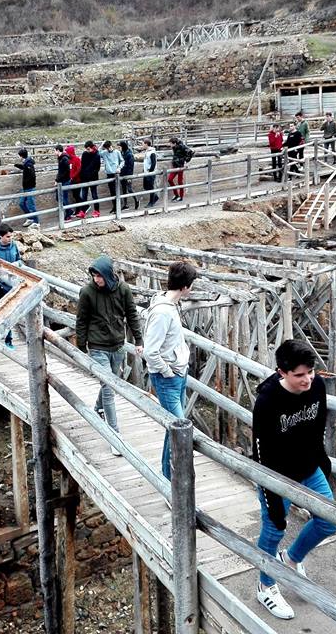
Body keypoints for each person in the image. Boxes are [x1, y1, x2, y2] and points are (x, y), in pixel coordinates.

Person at [252, 339, 336, 621]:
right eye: (299, 375)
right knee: (274, 527)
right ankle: (266, 585)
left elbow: (318, 427)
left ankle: (290, 559)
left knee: (328, 520)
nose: (308, 379)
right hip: (276, 473)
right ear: (282, 372)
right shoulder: (268, 400)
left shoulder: (318, 386)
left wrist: (324, 463)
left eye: (310, 371)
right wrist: (273, 496)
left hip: (309, 467)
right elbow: (261, 451)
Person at [75, 255, 144, 453]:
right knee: (109, 387)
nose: (96, 279)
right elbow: (81, 320)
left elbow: (131, 315)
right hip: (97, 346)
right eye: (94, 275)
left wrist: (138, 340)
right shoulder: (87, 292)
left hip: (118, 345)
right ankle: (114, 437)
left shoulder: (123, 290)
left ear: (108, 274)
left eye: (99, 275)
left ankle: (97, 409)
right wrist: (81, 347)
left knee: (110, 381)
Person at [143, 261, 197, 479]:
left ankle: (168, 477)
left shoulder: (168, 305)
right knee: (180, 430)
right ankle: (170, 482)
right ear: (185, 286)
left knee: (174, 429)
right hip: (169, 378)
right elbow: (150, 351)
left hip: (178, 374)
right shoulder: (163, 312)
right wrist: (167, 371)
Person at [0, 222, 21, 347]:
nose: (10, 239)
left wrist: (17, 265)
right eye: (7, 237)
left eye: (11, 236)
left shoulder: (14, 245)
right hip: (2, 286)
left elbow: (19, 259)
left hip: (14, 284)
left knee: (13, 312)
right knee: (4, 313)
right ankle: (8, 338)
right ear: (0, 236)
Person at [14, 148, 39, 226]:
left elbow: (32, 175)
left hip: (29, 187)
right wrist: (17, 165)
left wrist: (27, 183)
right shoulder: (26, 162)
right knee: (22, 203)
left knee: (31, 205)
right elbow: (25, 168)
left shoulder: (28, 164)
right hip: (25, 188)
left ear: (21, 156)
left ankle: (36, 222)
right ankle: (30, 218)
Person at [77, 141, 101, 218]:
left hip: (93, 178)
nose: (87, 150)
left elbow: (97, 168)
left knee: (94, 195)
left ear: (92, 147)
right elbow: (82, 166)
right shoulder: (85, 154)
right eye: (86, 149)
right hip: (84, 178)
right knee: (83, 195)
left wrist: (90, 174)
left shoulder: (97, 155)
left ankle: (97, 211)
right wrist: (82, 175)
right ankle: (83, 211)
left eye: (88, 149)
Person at [99, 140, 124, 214]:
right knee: (112, 191)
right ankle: (114, 206)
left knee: (117, 190)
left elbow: (122, 161)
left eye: (109, 147)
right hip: (109, 173)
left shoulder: (117, 152)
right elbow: (98, 152)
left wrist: (119, 168)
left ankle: (118, 207)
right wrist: (102, 144)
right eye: (107, 148)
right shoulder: (104, 153)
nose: (108, 149)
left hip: (116, 173)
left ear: (111, 146)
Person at [168, 137, 194, 202]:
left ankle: (181, 196)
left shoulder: (182, 147)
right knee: (170, 179)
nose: (170, 145)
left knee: (180, 181)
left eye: (171, 143)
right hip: (175, 165)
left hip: (180, 166)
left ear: (174, 143)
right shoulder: (174, 147)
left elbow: (191, 152)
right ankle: (176, 194)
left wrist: (185, 160)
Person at [119, 140, 140, 210]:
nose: (119, 148)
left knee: (129, 189)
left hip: (127, 174)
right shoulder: (122, 153)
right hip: (122, 173)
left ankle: (136, 199)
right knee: (124, 189)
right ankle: (125, 204)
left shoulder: (129, 154)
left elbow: (131, 166)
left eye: (120, 147)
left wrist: (129, 177)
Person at [139, 139, 159, 208]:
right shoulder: (147, 151)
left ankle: (151, 201)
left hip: (150, 172)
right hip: (146, 171)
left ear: (146, 144)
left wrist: (150, 171)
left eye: (143, 144)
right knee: (146, 186)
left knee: (151, 187)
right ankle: (155, 197)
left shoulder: (152, 152)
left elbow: (153, 163)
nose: (142, 145)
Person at [55, 144, 72, 221]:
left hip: (65, 181)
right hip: (62, 181)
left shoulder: (64, 159)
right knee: (60, 197)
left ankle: (68, 213)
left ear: (58, 150)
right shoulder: (61, 158)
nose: (54, 152)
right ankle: (69, 211)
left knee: (63, 198)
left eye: (54, 151)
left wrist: (57, 180)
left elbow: (65, 171)